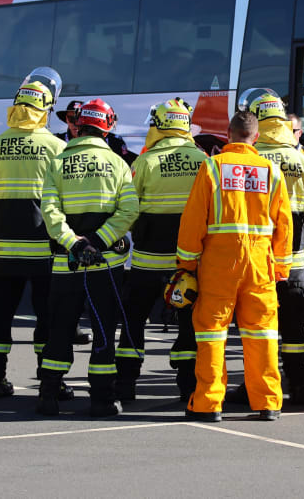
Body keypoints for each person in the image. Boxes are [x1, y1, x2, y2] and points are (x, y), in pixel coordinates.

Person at [178, 111, 292, 422]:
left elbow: (193, 220)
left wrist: (186, 264)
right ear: (256, 137)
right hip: (260, 264)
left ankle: (207, 403)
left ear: (228, 135)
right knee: (263, 334)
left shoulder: (212, 168)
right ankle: (269, 402)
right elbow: (285, 224)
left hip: (219, 263)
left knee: (212, 334)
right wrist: (281, 268)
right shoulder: (271, 171)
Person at [0, 68, 69, 400]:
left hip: (5, 254)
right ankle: (50, 382)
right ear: (46, 108)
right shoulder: (58, 148)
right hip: (47, 255)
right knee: (48, 319)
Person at [36, 99, 139, 417]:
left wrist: (75, 244)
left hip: (66, 263)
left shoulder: (58, 162)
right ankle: (102, 401)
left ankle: (48, 396)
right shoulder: (118, 164)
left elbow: (50, 213)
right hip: (105, 265)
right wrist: (97, 241)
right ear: (107, 127)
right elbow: (130, 211)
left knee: (60, 330)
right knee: (104, 332)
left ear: (79, 126)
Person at [117, 98, 206, 403]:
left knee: (134, 320)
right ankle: (188, 387)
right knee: (189, 325)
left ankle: (126, 384)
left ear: (158, 124)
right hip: (188, 265)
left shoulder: (144, 162)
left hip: (146, 264)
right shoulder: (203, 160)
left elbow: (128, 210)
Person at [246, 92, 304, 405]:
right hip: (293, 261)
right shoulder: (303, 161)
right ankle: (299, 386)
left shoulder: (250, 159)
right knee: (295, 326)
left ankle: (258, 389)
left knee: (258, 327)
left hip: (257, 260)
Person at [56, 99, 136, 164]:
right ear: (66, 119)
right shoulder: (57, 142)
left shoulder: (115, 142)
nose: (75, 123)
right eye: (71, 119)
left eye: (82, 119)